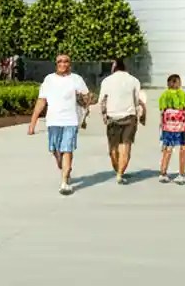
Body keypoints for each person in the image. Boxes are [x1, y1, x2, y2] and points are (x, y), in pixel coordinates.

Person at [27, 54, 91, 195]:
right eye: (60, 61)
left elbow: (87, 97)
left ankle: (64, 182)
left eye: (66, 61)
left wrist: (84, 108)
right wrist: (32, 123)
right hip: (53, 121)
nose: (63, 64)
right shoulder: (49, 80)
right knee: (56, 150)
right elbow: (41, 101)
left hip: (70, 120)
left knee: (67, 149)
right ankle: (64, 168)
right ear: (56, 64)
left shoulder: (76, 79)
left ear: (70, 64)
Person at [98, 58, 146, 185]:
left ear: (114, 68)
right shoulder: (134, 80)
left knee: (113, 148)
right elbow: (137, 100)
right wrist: (140, 115)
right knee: (125, 146)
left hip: (112, 117)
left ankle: (118, 169)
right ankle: (120, 174)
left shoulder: (106, 81)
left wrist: (104, 116)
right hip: (129, 117)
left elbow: (102, 100)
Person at [157, 74, 185, 184]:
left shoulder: (164, 95)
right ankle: (181, 174)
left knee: (167, 148)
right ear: (177, 83)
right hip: (181, 127)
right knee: (183, 149)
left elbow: (162, 111)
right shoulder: (183, 94)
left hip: (168, 127)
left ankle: (163, 173)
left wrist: (161, 125)